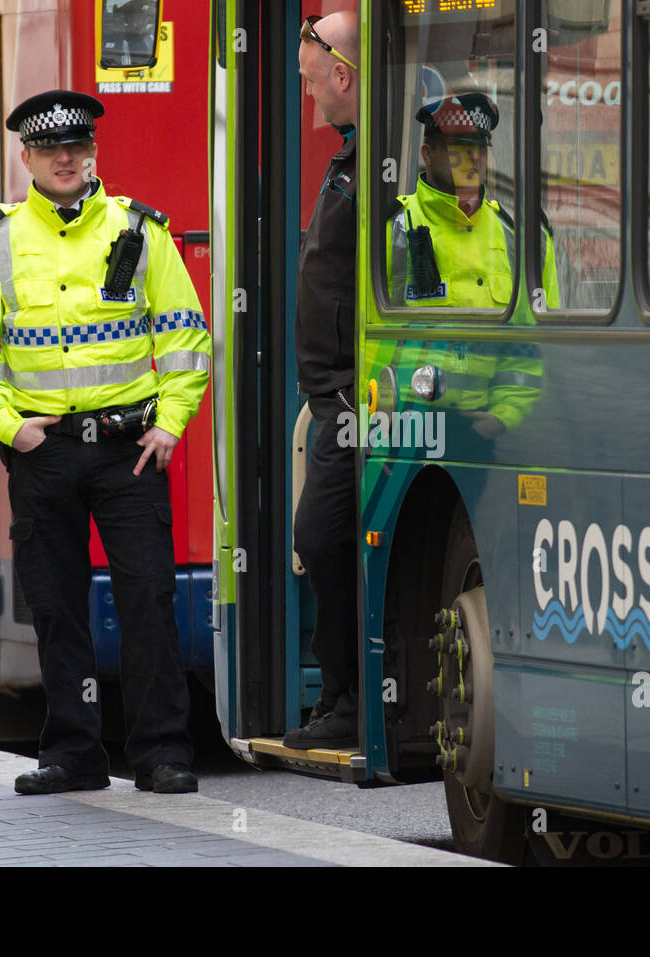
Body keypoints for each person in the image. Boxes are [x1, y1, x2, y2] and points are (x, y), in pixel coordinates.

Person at [0, 89, 211, 795]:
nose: (66, 159)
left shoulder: (140, 230)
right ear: (27, 157)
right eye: (51, 149)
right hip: (45, 450)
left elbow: (186, 336)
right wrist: (14, 428)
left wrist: (170, 422)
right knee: (58, 603)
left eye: (77, 147)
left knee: (149, 599)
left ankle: (160, 752)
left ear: (92, 153)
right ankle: (74, 752)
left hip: (129, 446)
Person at [385, 92, 553, 438]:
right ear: (427, 155)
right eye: (458, 148)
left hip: (485, 432)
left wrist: (503, 416)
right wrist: (381, 425)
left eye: (480, 147)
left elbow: (533, 344)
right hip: (402, 429)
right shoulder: (388, 229)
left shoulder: (522, 238)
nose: (473, 159)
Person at [286, 10, 362, 751]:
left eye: (312, 86)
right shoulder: (355, 156)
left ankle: (348, 699)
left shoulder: (378, 161)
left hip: (352, 397)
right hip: (334, 394)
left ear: (343, 75)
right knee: (328, 534)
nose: (310, 103)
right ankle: (349, 696)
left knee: (321, 533)